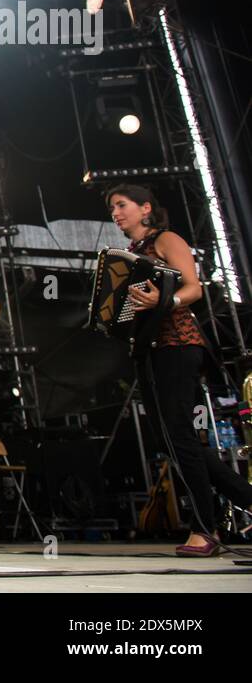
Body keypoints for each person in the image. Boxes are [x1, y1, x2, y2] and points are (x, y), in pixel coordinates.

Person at [107, 183, 252, 556]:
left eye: (122, 205)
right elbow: (125, 307)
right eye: (112, 209)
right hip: (148, 350)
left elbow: (193, 289)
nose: (116, 213)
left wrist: (163, 300)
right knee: (172, 439)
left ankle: (205, 530)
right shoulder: (128, 256)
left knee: (180, 436)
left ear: (146, 208)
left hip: (177, 343)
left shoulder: (166, 240)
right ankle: (238, 506)